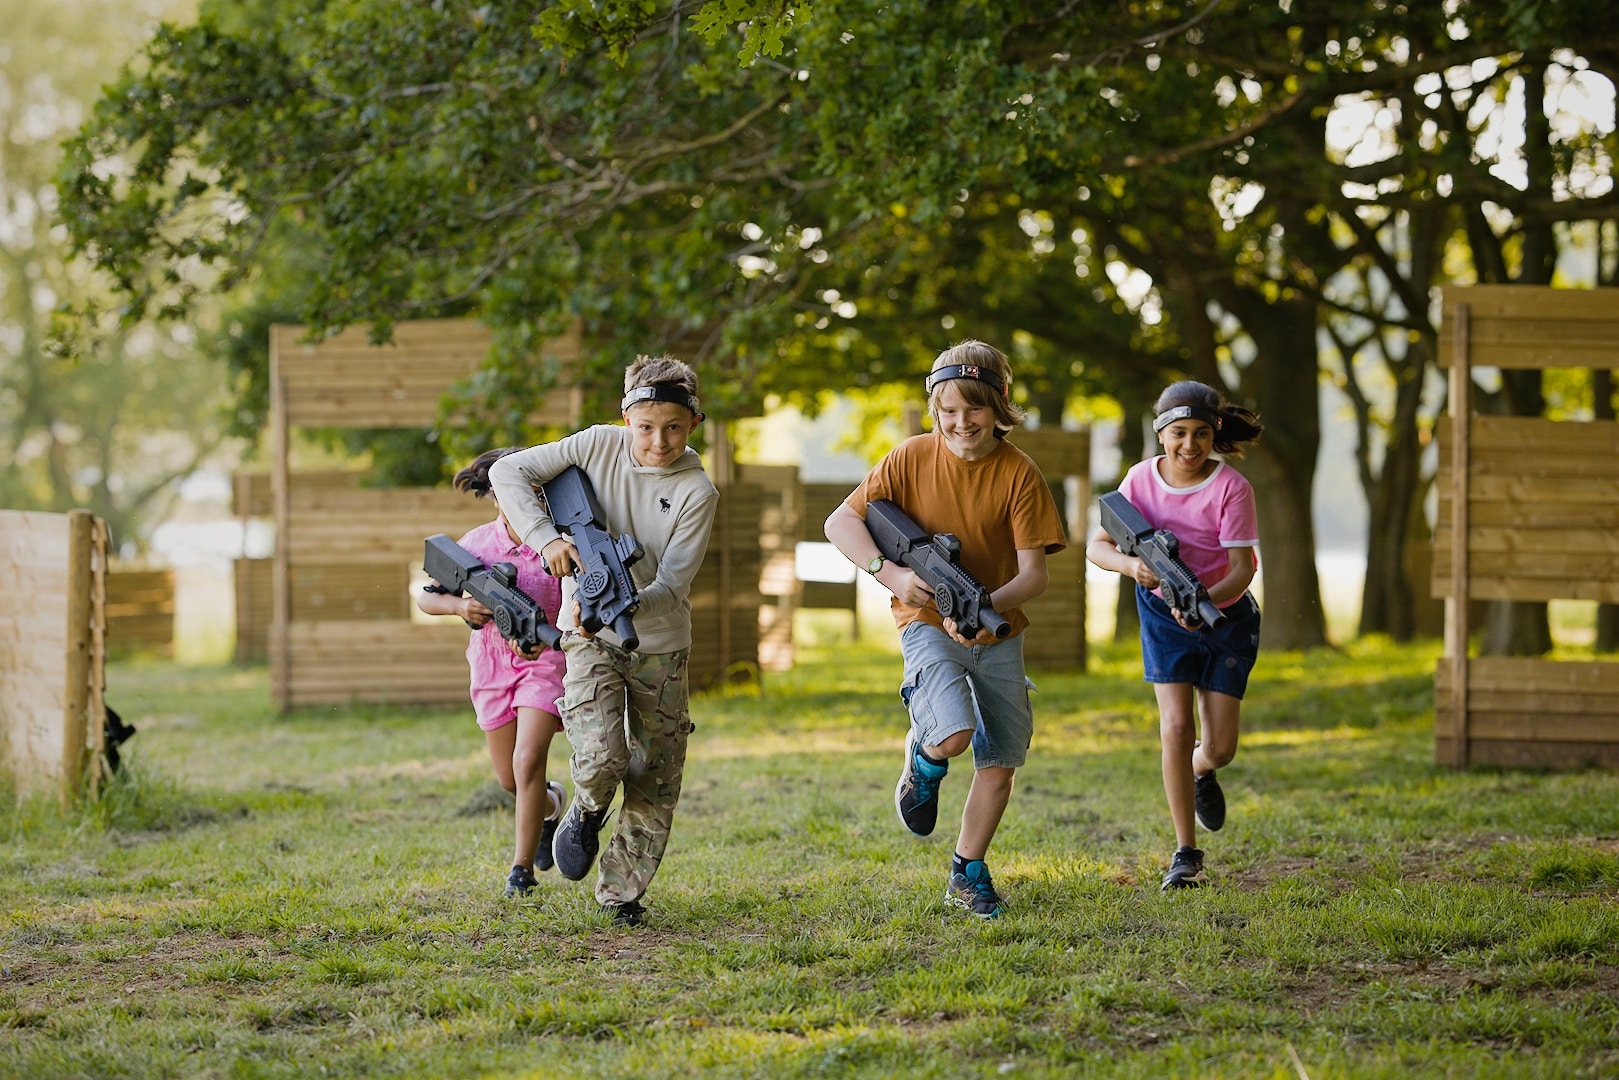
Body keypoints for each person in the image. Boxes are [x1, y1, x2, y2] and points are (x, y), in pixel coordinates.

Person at [824, 340, 1066, 919]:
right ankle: (922, 764)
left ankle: (968, 869)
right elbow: (842, 522)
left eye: (974, 410)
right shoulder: (909, 457)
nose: (961, 423)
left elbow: (1034, 575)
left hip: (997, 628)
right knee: (951, 737)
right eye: (948, 410)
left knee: (1001, 761)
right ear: (934, 407)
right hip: (925, 620)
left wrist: (986, 610)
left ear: (1000, 404)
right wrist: (892, 575)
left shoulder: (1020, 474)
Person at [489, 354, 719, 927]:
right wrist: (546, 540)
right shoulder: (595, 444)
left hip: (659, 643)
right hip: (586, 637)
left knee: (656, 771)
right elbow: (506, 473)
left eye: (672, 427)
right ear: (624, 418)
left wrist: (623, 602)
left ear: (693, 423)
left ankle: (622, 893)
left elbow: (672, 582)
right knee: (601, 756)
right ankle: (586, 809)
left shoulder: (697, 491)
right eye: (644, 427)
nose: (658, 441)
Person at [1084, 380, 1264, 892]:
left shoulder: (1233, 488)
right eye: (1179, 433)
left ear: (1216, 434)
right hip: (1163, 615)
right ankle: (1186, 851)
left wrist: (1202, 601)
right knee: (1175, 727)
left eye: (1202, 434)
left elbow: (1241, 568)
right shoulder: (1141, 479)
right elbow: (1096, 546)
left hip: (1226, 616)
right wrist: (1131, 567)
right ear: (1161, 434)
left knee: (1221, 746)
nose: (1190, 445)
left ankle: (1202, 771)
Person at [416, 448, 569, 899]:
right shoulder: (477, 544)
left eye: (536, 492)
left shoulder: (559, 542)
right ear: (498, 495)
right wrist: (461, 605)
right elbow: (427, 598)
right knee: (509, 778)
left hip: (544, 663)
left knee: (527, 762)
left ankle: (520, 873)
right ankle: (551, 806)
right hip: (491, 667)